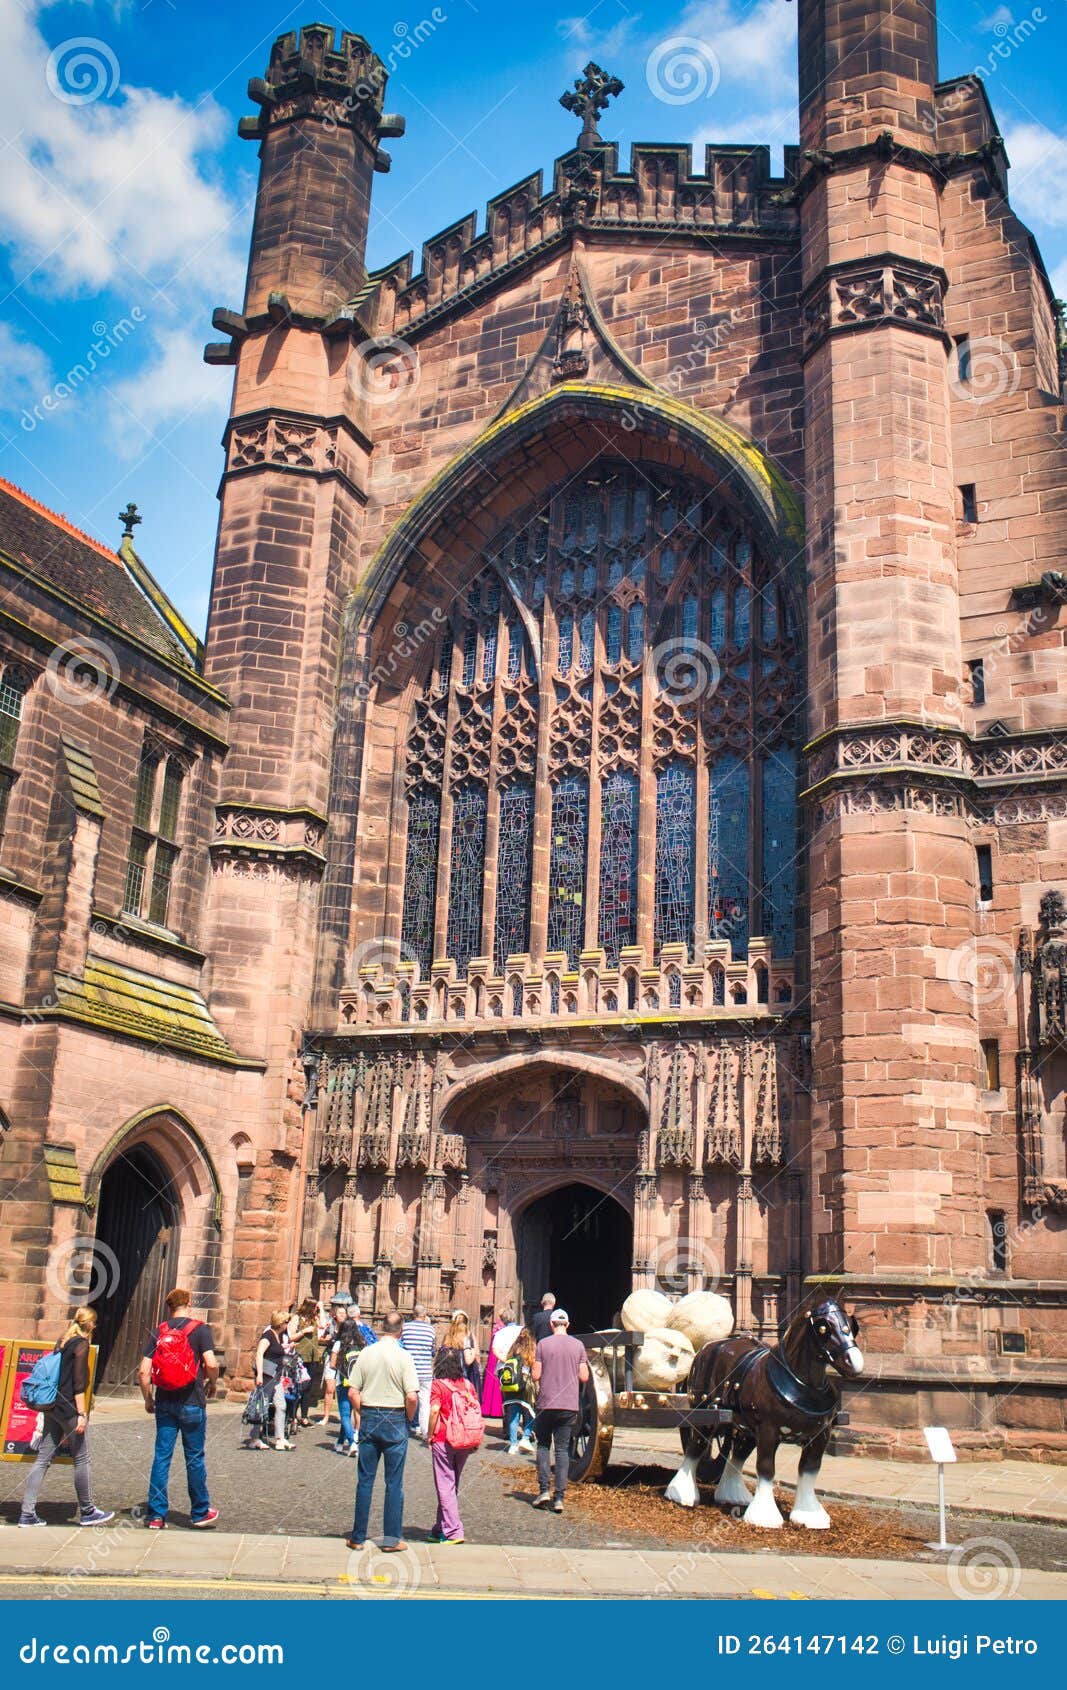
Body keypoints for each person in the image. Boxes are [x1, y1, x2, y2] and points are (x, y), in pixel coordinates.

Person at [19, 1307, 113, 1528]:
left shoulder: (62, 1341)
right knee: (81, 1458)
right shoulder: (80, 1344)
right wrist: (81, 1414)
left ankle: (27, 1513)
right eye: (94, 1324)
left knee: (43, 1458)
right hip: (68, 1407)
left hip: (51, 1405)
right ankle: (88, 1511)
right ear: (90, 1325)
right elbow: (78, 1384)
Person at [138, 1286, 220, 1530]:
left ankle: (155, 1516)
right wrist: (212, 1383)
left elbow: (143, 1371)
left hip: (165, 1402)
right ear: (188, 1303)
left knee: (161, 1458)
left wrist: (148, 1399)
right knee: (194, 1458)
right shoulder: (200, 1329)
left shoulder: (159, 1331)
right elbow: (212, 1363)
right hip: (192, 1401)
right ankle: (199, 1512)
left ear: (169, 1307)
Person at [345, 1310, 419, 1552]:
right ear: (401, 1331)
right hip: (395, 1418)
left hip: (369, 1417)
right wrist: (408, 1418)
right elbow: (411, 1396)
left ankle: (357, 1538)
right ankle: (390, 1540)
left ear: (382, 1328)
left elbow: (352, 1392)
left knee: (364, 1480)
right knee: (394, 1483)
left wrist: (363, 1412)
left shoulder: (366, 1353)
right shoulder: (404, 1356)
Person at [531, 1308, 589, 1514]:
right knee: (563, 1450)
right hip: (569, 1405)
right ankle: (559, 1498)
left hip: (546, 1404)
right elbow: (584, 1377)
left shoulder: (543, 1344)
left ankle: (544, 1490)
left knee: (544, 1446)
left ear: (551, 1324)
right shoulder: (578, 1345)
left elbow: (536, 1375)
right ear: (568, 1324)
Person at [427, 1347, 480, 1544]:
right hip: (464, 1439)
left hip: (443, 1438)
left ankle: (453, 1531)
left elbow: (434, 1411)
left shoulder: (438, 1385)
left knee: (444, 1484)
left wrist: (429, 1434)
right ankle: (439, 1527)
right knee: (451, 1484)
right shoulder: (467, 1384)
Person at [331, 1302, 374, 1454]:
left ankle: (352, 1442)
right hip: (358, 1383)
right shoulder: (361, 1344)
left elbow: (332, 1365)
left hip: (343, 1382)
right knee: (351, 1412)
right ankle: (340, 1442)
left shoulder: (339, 1344)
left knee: (344, 1414)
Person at [253, 1308, 295, 1451]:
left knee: (281, 1405)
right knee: (262, 1406)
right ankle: (254, 1438)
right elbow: (259, 1354)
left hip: (275, 1376)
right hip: (265, 1376)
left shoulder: (277, 1335)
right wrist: (259, 1375)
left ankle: (280, 1439)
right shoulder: (268, 1335)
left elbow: (275, 1351)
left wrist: (285, 1347)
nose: (287, 1324)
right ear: (280, 1323)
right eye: (286, 1322)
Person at [399, 1304, 435, 1439]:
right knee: (425, 1402)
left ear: (413, 1314)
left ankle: (404, 1428)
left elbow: (401, 1346)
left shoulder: (405, 1328)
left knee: (406, 1399)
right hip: (425, 1371)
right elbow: (432, 1351)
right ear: (424, 1316)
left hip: (408, 1370)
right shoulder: (431, 1330)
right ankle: (425, 1431)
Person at [499, 1327, 536, 1455]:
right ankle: (525, 1438)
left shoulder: (513, 1350)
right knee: (530, 1414)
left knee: (513, 1417)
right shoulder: (530, 1350)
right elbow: (534, 1366)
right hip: (525, 1387)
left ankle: (513, 1445)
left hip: (511, 1388)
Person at [291, 1297, 321, 1426]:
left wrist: (322, 1311)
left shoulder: (314, 1319)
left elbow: (322, 1327)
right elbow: (291, 1337)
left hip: (312, 1356)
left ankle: (304, 1416)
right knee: (298, 1387)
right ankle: (292, 1416)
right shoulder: (296, 1318)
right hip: (300, 1356)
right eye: (315, 1307)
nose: (316, 1310)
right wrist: (303, 1331)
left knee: (308, 1388)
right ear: (309, 1307)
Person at [480, 1303, 510, 1421]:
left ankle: (489, 1408)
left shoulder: (497, 1326)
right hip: (501, 1354)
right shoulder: (505, 1328)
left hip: (494, 1354)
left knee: (492, 1380)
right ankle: (497, 1409)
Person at [443, 1310, 480, 1396]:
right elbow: (475, 1356)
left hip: (450, 1374)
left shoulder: (448, 1337)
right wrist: (474, 1353)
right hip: (467, 1374)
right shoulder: (469, 1336)